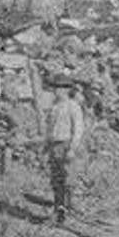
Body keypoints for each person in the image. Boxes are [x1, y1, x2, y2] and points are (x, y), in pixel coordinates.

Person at [41, 76, 86, 221]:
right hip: (55, 145)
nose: (56, 91)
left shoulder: (73, 106)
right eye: (55, 88)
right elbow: (50, 129)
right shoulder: (54, 107)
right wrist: (47, 146)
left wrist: (72, 148)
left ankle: (71, 206)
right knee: (56, 178)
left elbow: (78, 129)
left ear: (67, 90)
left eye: (60, 88)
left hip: (66, 144)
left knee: (69, 177)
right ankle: (59, 207)